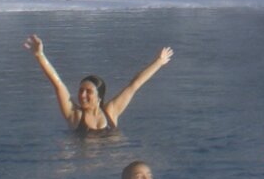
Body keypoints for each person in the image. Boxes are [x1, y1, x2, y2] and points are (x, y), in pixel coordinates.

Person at [24, 33, 172, 133]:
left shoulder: (111, 111)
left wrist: (158, 62)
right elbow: (58, 84)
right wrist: (40, 55)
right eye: (81, 90)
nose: (82, 95)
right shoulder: (74, 115)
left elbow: (134, 85)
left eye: (88, 91)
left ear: (99, 96)